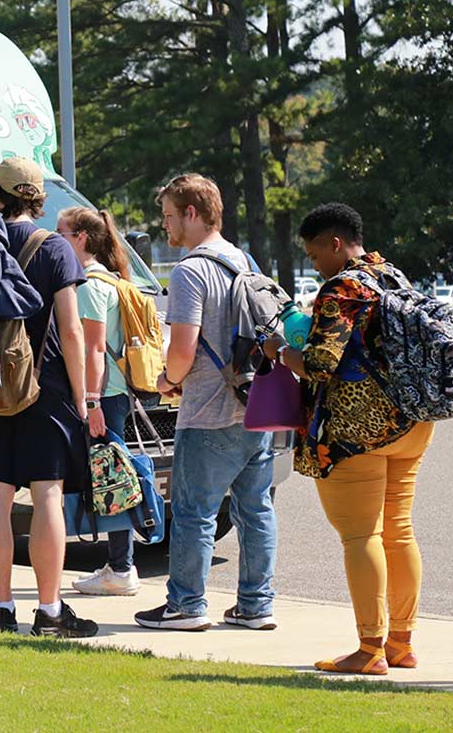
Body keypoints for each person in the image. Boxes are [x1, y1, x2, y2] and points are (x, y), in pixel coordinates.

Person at [263, 203, 431, 674]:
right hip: (412, 422)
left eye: (314, 254)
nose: (314, 264)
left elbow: (319, 364)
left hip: (356, 429)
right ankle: (401, 642)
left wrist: (280, 351)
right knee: (398, 531)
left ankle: (369, 648)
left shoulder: (343, 287)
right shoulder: (393, 275)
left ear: (335, 243)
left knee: (362, 536)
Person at [0, 157, 99, 638]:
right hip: (45, 383)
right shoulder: (55, 248)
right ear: (38, 196)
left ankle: (2, 607)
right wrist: (83, 397)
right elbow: (71, 330)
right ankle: (51, 611)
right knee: (46, 492)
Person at [136, 173, 278, 632]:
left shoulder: (191, 271)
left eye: (170, 217)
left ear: (192, 214)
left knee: (195, 512)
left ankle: (186, 605)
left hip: (207, 411)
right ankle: (256, 606)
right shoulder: (246, 261)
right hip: (256, 405)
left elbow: (182, 348)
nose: (166, 227)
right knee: (255, 509)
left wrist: (165, 380)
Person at [57, 206, 140, 597]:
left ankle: (121, 569)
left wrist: (90, 404)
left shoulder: (89, 286)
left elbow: (93, 350)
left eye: (61, 232)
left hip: (101, 395)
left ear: (81, 239)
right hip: (114, 392)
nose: (55, 238)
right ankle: (120, 566)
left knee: (113, 481)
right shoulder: (113, 280)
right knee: (115, 477)